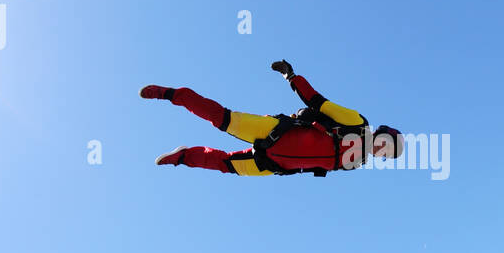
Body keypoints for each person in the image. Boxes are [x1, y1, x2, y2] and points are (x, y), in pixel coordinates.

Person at [140, 60, 403, 177]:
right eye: (386, 145)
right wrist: (291, 76)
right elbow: (317, 101)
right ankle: (170, 94)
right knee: (221, 118)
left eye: (386, 154)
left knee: (225, 165)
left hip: (275, 163)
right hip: (277, 132)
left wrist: (284, 169)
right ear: (381, 133)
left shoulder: (354, 163)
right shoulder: (356, 124)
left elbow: (315, 166)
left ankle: (183, 156)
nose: (381, 151)